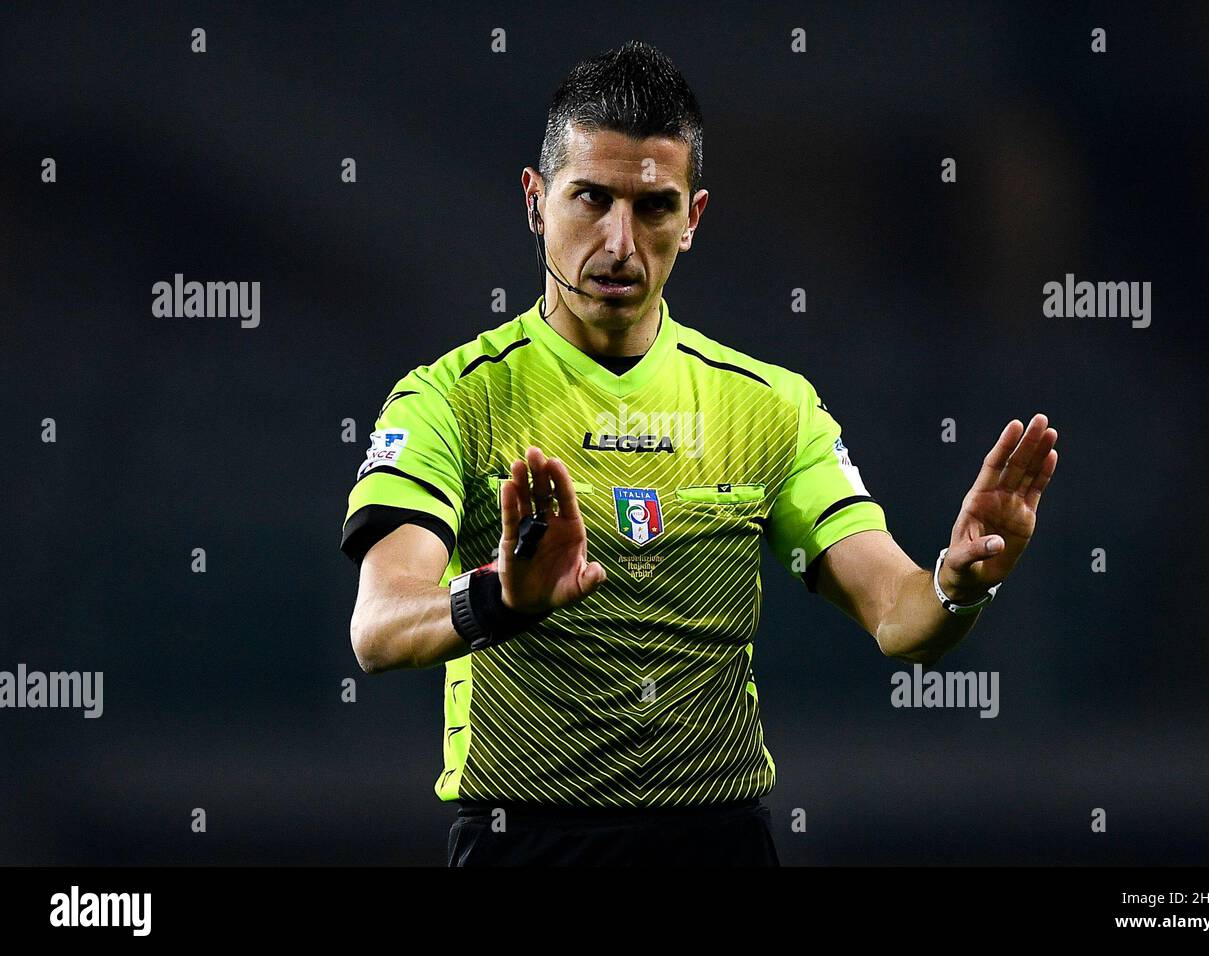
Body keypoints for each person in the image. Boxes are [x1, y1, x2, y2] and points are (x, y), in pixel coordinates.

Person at [340, 40, 1059, 867]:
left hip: (719, 844)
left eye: (651, 208)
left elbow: (901, 619)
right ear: (536, 203)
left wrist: (958, 584)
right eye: (590, 199)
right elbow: (379, 628)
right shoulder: (451, 399)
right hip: (525, 844)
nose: (618, 242)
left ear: (694, 218)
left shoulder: (767, 406)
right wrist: (504, 597)